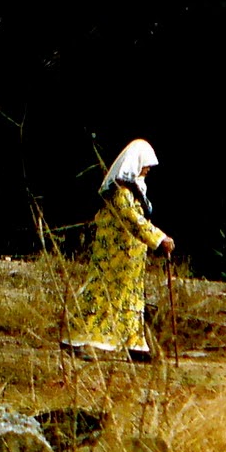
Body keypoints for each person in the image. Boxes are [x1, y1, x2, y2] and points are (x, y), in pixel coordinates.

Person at [66, 140, 175, 361]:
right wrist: (160, 238)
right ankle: (77, 339)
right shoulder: (121, 193)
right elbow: (134, 221)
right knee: (101, 294)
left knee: (130, 300)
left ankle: (135, 345)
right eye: (146, 165)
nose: (148, 170)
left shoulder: (134, 191)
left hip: (128, 260)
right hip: (113, 257)